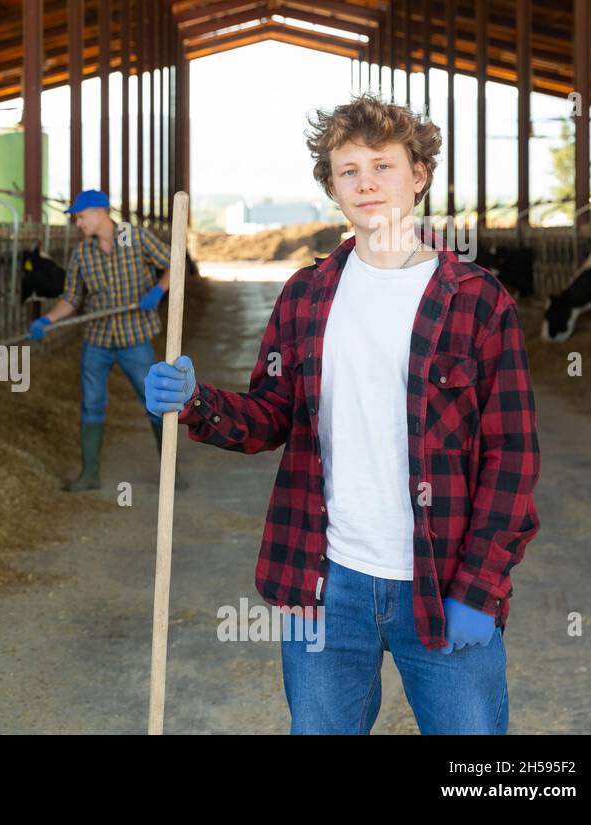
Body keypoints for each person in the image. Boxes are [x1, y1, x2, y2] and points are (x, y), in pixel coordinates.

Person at [144, 93, 540, 734]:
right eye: (348, 169)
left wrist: (481, 585)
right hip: (325, 584)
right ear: (331, 186)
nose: (366, 183)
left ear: (418, 175)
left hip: (441, 584)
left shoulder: (477, 300)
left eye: (383, 166)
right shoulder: (306, 295)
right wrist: (196, 403)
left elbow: (512, 456)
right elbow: (271, 416)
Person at [30, 189, 188, 492]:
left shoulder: (133, 237)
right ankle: (90, 474)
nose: (78, 223)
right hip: (97, 340)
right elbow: (72, 296)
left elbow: (175, 262)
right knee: (91, 404)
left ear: (100, 212)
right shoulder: (83, 253)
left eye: (80, 216)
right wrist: (47, 320)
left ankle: (171, 472)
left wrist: (158, 290)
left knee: (154, 402)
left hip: (134, 337)